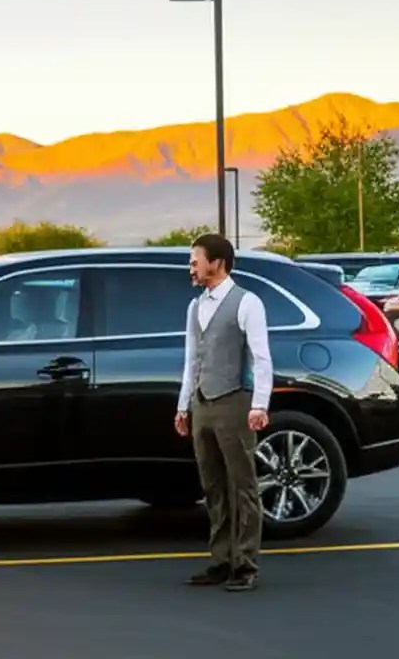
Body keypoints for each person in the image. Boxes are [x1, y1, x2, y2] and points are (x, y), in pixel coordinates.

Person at [173, 233, 273, 592]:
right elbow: (191, 360)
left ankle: (245, 564)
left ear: (217, 262)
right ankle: (220, 559)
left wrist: (259, 404)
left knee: (242, 486)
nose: (192, 267)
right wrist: (183, 405)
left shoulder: (247, 303)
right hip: (202, 403)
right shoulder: (195, 306)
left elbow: (262, 357)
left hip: (233, 401)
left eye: (195, 260)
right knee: (213, 486)